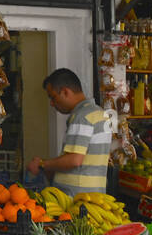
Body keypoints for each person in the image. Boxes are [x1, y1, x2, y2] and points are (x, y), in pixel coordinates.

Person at [26, 68, 112, 197]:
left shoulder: (82, 116)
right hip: (94, 196)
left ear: (65, 92)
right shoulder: (100, 113)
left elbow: (74, 160)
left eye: (53, 97)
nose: (52, 103)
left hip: (76, 198)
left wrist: (43, 164)